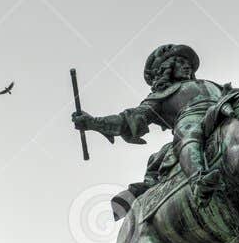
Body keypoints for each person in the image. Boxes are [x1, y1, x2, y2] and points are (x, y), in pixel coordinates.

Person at [71, 44, 228, 210]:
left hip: (226, 114)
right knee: (189, 133)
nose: (187, 65)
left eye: (187, 62)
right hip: (191, 122)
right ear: (167, 68)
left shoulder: (213, 85)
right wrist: (94, 122)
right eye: (180, 62)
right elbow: (129, 119)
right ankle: (199, 181)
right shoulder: (160, 96)